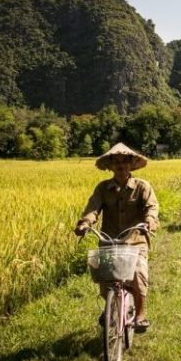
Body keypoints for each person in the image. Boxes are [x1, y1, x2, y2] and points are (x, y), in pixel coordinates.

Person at [74, 143, 159, 333]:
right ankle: (112, 304)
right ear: (110, 166)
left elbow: (152, 208)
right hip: (109, 240)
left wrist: (150, 221)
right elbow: (93, 208)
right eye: (116, 162)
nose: (121, 165)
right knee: (104, 280)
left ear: (131, 164)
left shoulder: (142, 187)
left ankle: (140, 314)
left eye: (124, 162)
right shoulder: (103, 188)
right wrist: (85, 223)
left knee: (138, 274)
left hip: (136, 240)